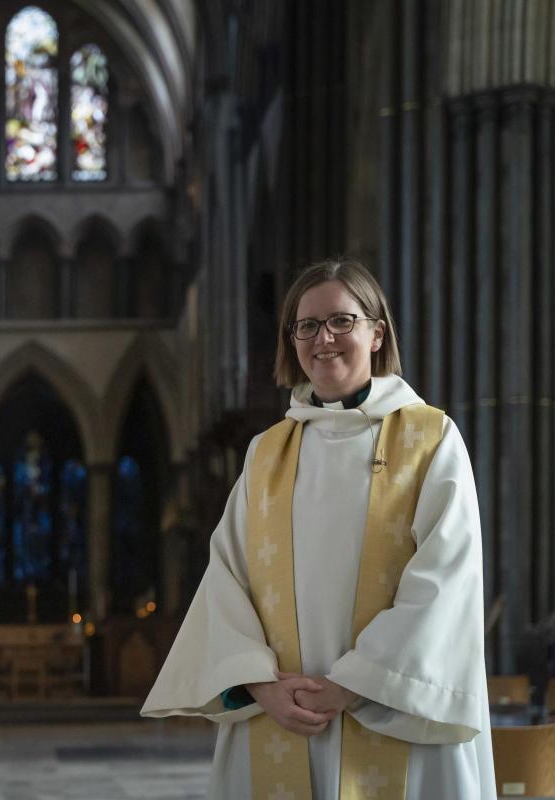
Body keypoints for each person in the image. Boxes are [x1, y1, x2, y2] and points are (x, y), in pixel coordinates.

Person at [142, 258, 495, 798]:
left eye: (341, 321)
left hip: (392, 709)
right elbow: (226, 579)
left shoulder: (431, 438)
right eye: (306, 326)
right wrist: (260, 685)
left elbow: (447, 578)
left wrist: (352, 684)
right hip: (278, 716)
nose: (323, 338)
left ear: (377, 332)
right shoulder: (268, 453)